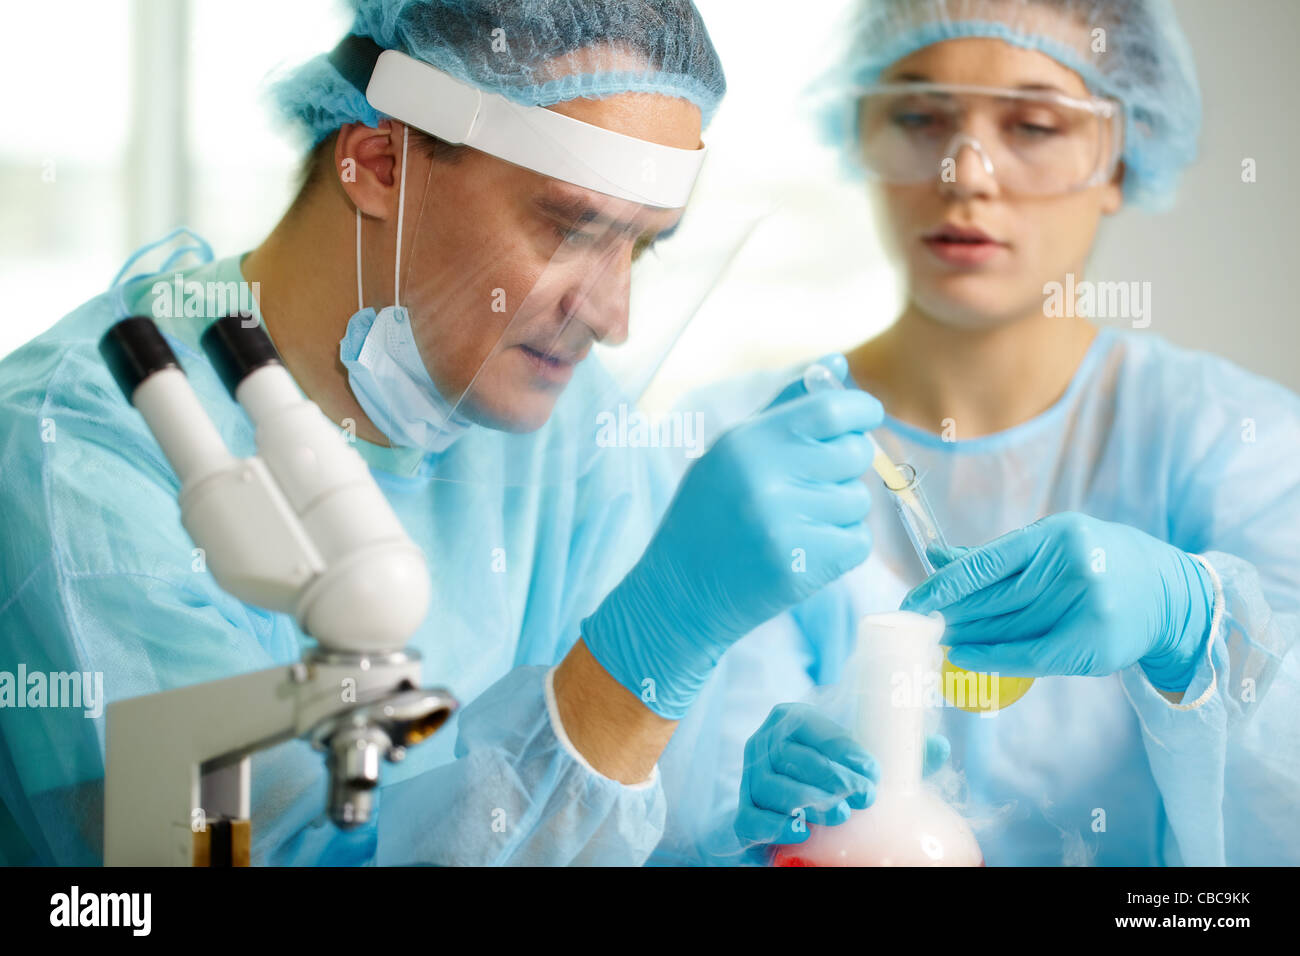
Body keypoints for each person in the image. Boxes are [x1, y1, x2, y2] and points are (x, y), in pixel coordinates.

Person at [0, 0, 885, 865]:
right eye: (572, 229)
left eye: (641, 248)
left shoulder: (566, 427)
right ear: (380, 165)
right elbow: (219, 856)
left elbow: (636, 825)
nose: (613, 316)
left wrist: (730, 817)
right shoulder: (78, 449)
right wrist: (645, 656)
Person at [653, 0, 1300, 866]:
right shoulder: (730, 446)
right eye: (919, 117)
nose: (966, 174)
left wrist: (1203, 637)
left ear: (1122, 157)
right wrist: (733, 831)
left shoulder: (1237, 444)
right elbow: (632, 820)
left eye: (1033, 124)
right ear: (860, 131)